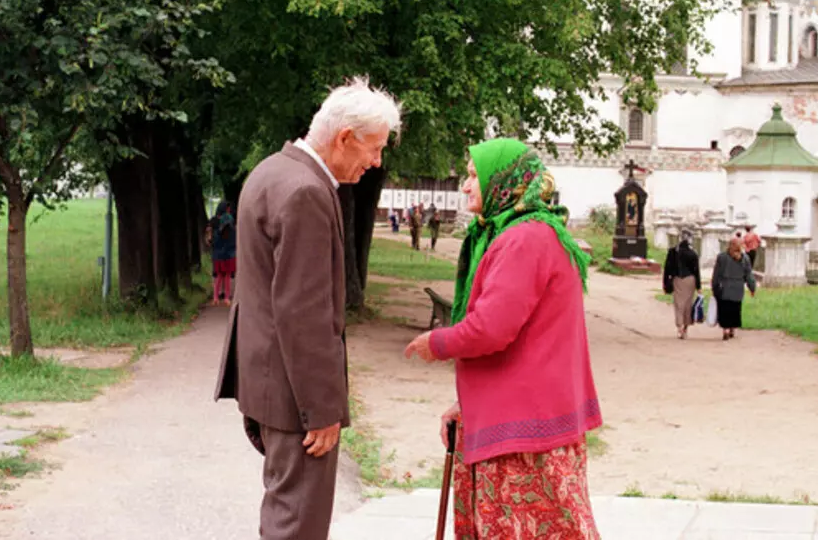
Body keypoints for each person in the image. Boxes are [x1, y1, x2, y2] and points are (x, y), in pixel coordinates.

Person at [214, 77, 401, 540]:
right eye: (374, 149)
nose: (376, 162)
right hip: (295, 397)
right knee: (298, 525)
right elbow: (305, 313)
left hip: (269, 383)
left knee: (285, 514)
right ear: (344, 138)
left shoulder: (272, 170)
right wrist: (321, 409)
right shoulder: (307, 191)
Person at [404, 139, 601, 539]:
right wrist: (468, 405)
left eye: (475, 176)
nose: (465, 185)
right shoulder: (525, 233)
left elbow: (491, 328)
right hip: (523, 421)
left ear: (505, 184)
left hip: (525, 437)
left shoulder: (524, 239)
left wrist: (436, 344)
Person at [711, 236, 757, 341]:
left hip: (725, 287)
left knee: (724, 309)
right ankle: (732, 329)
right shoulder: (745, 259)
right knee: (735, 309)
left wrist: (714, 286)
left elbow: (716, 274)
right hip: (738, 288)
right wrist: (752, 288)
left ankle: (726, 329)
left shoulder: (722, 257)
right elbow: (749, 275)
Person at [662, 229, 701, 339]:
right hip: (690, 280)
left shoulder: (673, 252)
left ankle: (679, 327)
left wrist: (665, 284)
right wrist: (699, 287)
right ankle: (685, 327)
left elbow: (667, 269)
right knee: (688, 304)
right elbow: (696, 271)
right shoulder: (693, 253)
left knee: (679, 304)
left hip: (678, 280)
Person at [211, 200, 237, 306]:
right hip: (227, 253)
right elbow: (232, 237)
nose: (229, 210)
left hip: (218, 253)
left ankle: (216, 297)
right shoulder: (229, 219)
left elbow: (211, 239)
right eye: (227, 208)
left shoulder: (213, 221)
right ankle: (226, 297)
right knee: (225, 276)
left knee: (219, 276)